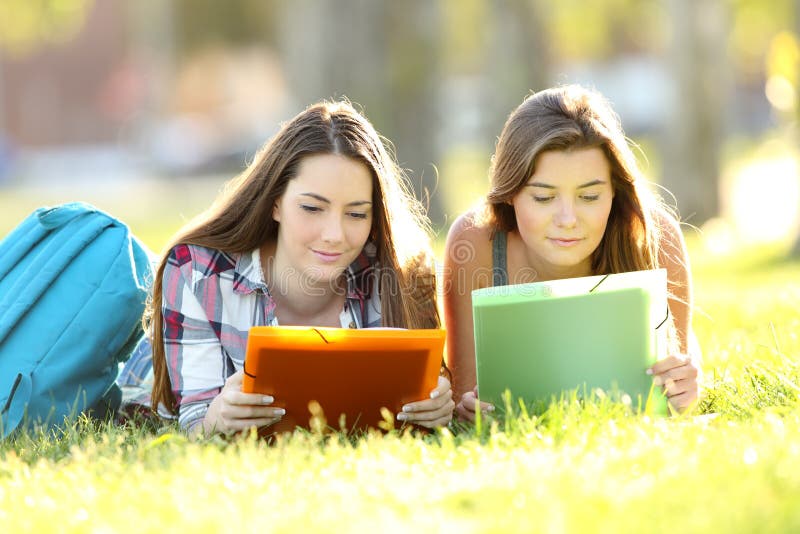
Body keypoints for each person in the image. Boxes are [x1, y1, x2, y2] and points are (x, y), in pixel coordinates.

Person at [143, 101, 454, 434]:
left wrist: (436, 407)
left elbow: (423, 405)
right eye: (312, 208)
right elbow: (192, 422)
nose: (334, 236)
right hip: (144, 365)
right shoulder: (196, 272)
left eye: (356, 214)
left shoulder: (402, 271)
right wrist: (215, 418)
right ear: (275, 201)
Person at [443, 85, 701, 421]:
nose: (567, 220)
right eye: (544, 198)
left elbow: (682, 365)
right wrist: (468, 410)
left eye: (589, 197)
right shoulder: (475, 242)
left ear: (615, 193)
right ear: (510, 193)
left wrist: (685, 388)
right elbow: (467, 394)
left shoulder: (655, 235)